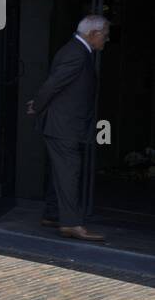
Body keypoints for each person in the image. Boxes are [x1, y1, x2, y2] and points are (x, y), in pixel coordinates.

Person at [27, 15, 109, 242]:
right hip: (63, 126)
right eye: (105, 34)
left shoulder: (77, 51)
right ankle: (71, 223)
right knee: (69, 172)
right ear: (94, 34)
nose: (107, 39)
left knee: (62, 171)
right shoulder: (76, 53)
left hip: (66, 125)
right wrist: (37, 106)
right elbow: (53, 84)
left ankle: (53, 214)